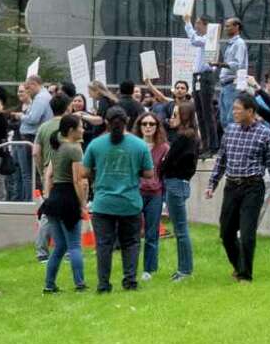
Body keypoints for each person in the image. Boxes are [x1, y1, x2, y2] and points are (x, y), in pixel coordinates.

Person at [206, 93, 270, 279]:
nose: (234, 112)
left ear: (250, 111)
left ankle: (245, 275)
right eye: (233, 109)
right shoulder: (230, 131)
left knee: (247, 233)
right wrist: (212, 184)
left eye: (237, 109)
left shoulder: (266, 134)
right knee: (226, 232)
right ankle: (238, 264)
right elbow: (221, 160)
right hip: (232, 186)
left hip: (253, 187)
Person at [81, 110, 152, 292]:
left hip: (103, 203)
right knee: (131, 243)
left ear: (105, 122)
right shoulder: (139, 145)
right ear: (128, 120)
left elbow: (84, 172)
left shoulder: (96, 145)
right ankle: (130, 281)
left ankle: (103, 284)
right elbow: (149, 173)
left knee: (104, 245)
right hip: (130, 202)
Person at [39, 114, 89, 293]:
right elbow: (78, 180)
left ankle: (49, 284)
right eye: (81, 126)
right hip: (68, 198)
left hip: (54, 199)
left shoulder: (56, 146)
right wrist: (82, 203)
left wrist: (46, 194)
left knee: (59, 246)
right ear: (71, 130)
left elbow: (50, 175)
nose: (83, 129)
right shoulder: (75, 149)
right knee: (75, 245)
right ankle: (80, 283)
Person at [158, 102, 199, 281]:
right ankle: (184, 268)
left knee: (180, 229)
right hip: (179, 183)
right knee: (180, 229)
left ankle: (185, 270)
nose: (173, 118)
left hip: (175, 183)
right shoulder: (189, 136)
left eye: (176, 114)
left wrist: (163, 167)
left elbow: (170, 161)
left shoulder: (184, 137)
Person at [134, 112, 169, 279]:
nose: (148, 127)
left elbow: (165, 173)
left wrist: (164, 196)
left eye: (151, 124)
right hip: (135, 192)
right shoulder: (133, 145)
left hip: (155, 193)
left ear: (157, 127)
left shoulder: (164, 148)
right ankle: (131, 267)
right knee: (133, 231)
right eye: (144, 124)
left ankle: (149, 269)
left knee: (151, 233)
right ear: (139, 126)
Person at [183, 14, 220, 155]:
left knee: (207, 112)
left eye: (198, 23)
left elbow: (194, 40)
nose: (196, 25)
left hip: (205, 77)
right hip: (198, 77)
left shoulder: (209, 39)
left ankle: (212, 145)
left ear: (206, 25)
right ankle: (205, 145)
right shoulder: (204, 41)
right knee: (200, 112)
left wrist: (187, 23)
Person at [217, 17, 249, 137]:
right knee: (224, 118)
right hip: (225, 85)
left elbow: (238, 64)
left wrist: (221, 64)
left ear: (237, 27)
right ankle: (228, 145)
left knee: (231, 118)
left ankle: (232, 143)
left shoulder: (239, 43)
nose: (226, 28)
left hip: (233, 84)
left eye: (228, 26)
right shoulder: (230, 44)